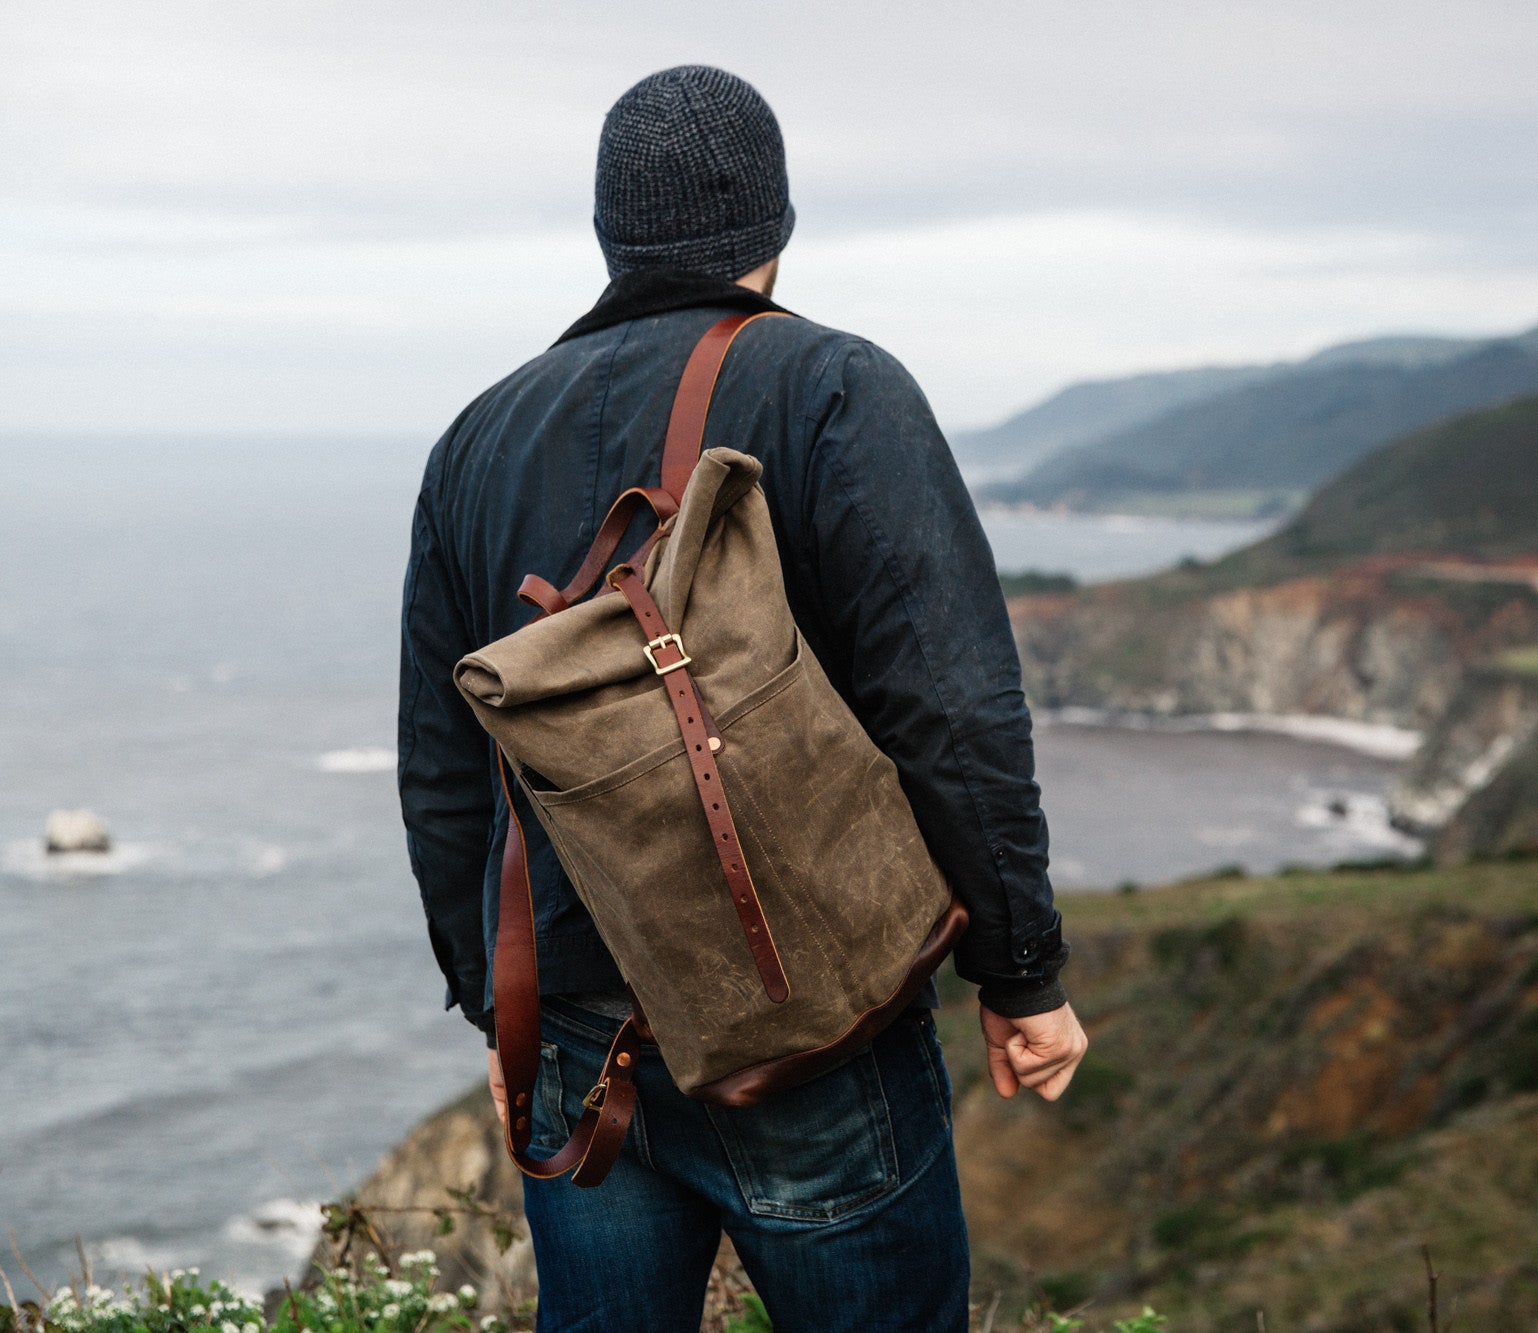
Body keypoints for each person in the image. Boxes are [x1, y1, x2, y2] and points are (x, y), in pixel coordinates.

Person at [398, 65, 1086, 1333]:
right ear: (774, 223)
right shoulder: (834, 387)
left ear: (609, 231)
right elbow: (952, 708)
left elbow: (443, 769)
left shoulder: (475, 440)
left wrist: (496, 1012)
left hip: (576, 1038)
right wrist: (1020, 970)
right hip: (803, 1033)